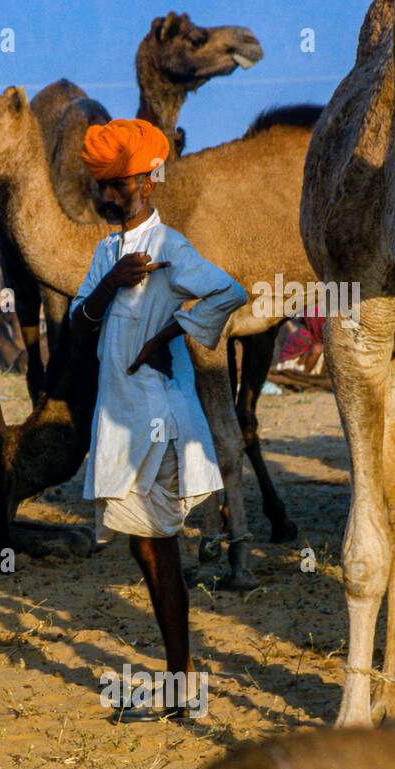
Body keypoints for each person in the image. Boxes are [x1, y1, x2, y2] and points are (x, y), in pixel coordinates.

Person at [67, 119, 246, 722]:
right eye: (103, 185)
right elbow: (77, 322)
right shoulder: (105, 253)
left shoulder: (171, 247)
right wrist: (111, 286)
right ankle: (179, 684)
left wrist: (172, 332)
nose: (108, 195)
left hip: (156, 418)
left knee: (158, 549)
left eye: (118, 184)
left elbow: (228, 292)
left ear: (145, 181)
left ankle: (182, 686)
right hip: (119, 417)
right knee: (146, 551)